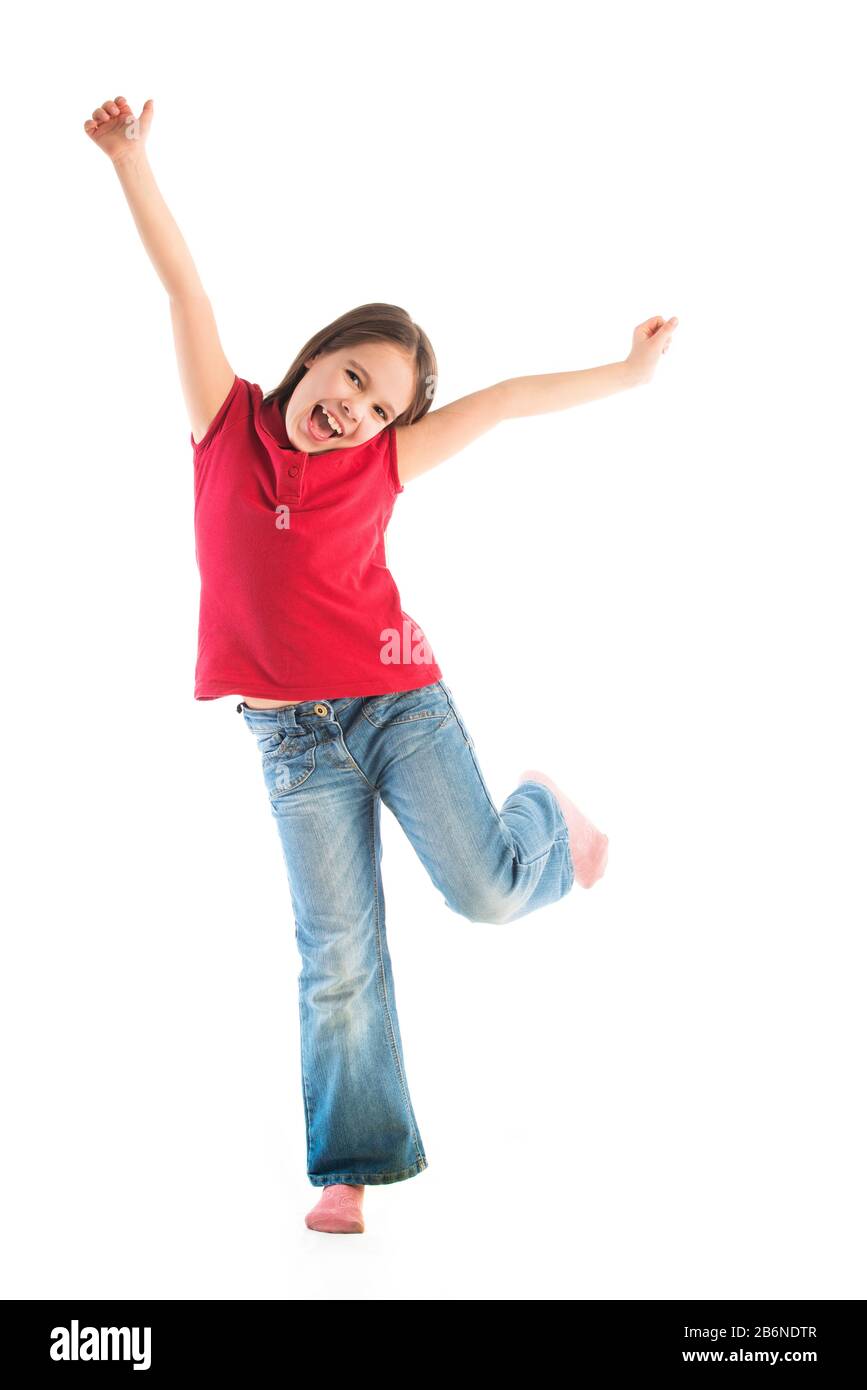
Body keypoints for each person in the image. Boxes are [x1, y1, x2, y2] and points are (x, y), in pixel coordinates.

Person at [84, 94, 678, 1236]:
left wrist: (624, 374)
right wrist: (130, 160)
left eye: (377, 404)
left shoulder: (382, 466)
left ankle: (545, 810)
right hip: (290, 741)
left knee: (490, 891)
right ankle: (351, 1161)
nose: (350, 406)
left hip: (399, 703)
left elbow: (504, 404)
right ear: (315, 357)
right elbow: (185, 290)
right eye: (347, 375)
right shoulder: (228, 422)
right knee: (337, 946)